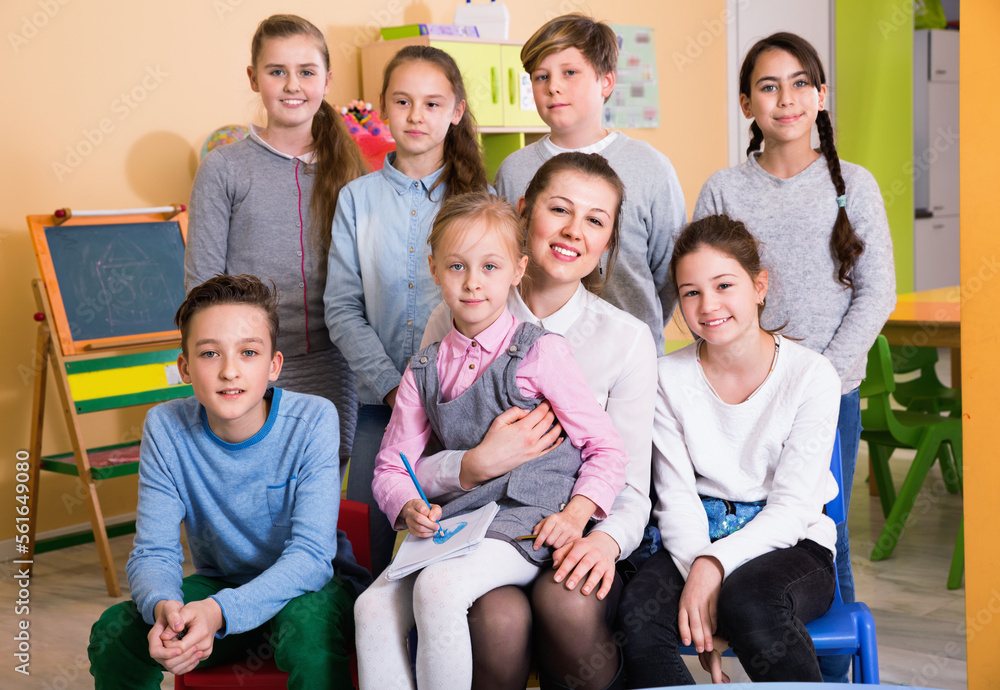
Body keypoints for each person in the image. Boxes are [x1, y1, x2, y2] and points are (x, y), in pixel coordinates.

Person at [353, 191, 629, 690]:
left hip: (527, 526)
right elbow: (393, 465)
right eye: (457, 266)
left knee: (438, 590)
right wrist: (408, 505)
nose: (473, 282)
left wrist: (575, 515)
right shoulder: (423, 369)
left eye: (490, 266)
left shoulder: (541, 353)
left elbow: (605, 448)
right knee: (370, 607)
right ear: (434, 269)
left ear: (518, 270)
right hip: (458, 527)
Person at [692, 31, 896, 682]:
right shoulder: (724, 187)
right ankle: (767, 648)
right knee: (749, 526)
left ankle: (828, 678)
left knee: (822, 537)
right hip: (742, 399)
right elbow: (703, 289)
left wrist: (820, 381)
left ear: (821, 96)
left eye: (800, 83)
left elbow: (876, 291)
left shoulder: (853, 185)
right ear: (747, 103)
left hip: (830, 395)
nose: (786, 99)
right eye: (769, 87)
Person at [417, 153, 656, 690]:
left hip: (578, 534)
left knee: (567, 602)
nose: (574, 231)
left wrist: (601, 539)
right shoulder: (455, 312)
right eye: (559, 209)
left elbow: (633, 485)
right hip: (476, 535)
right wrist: (473, 465)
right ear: (524, 213)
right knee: (499, 619)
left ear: (607, 242)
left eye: (595, 220)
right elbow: (414, 463)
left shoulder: (625, 339)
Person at [87, 275, 368, 690]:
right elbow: (154, 551)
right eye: (209, 353)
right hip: (221, 588)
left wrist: (219, 611)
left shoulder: (313, 419)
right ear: (184, 366)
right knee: (115, 631)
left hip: (311, 592)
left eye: (249, 352)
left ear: (274, 365)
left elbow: (311, 557)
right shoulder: (165, 427)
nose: (229, 371)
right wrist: (165, 607)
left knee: (307, 630)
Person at [616, 214, 840, 685]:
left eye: (723, 285)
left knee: (750, 602)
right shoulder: (666, 378)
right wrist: (700, 564)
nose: (708, 305)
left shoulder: (812, 375)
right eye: (691, 291)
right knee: (636, 616)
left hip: (793, 543)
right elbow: (675, 499)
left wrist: (713, 568)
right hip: (695, 538)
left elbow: (793, 508)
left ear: (759, 286)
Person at [324, 45, 490, 575]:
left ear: (456, 111)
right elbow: (342, 307)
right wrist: (398, 389)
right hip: (381, 404)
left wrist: (442, 394)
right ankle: (372, 648)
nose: (417, 116)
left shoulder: (480, 198)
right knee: (373, 540)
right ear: (382, 107)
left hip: (464, 404)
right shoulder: (356, 199)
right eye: (403, 101)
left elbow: (493, 306)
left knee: (454, 539)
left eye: (433, 103)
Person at [185, 14, 368, 469]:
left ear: (327, 80)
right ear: (254, 78)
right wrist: (228, 358)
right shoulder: (224, 168)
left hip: (333, 364)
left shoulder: (351, 171)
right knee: (257, 489)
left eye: (306, 72)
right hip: (248, 366)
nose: (292, 85)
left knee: (323, 494)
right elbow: (203, 284)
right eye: (276, 71)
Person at [494, 13, 686, 353]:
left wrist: (638, 332)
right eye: (541, 77)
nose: (553, 86)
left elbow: (670, 274)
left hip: (626, 360)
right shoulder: (513, 170)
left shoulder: (650, 167)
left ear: (606, 82)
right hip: (531, 359)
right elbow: (508, 261)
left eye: (570, 72)